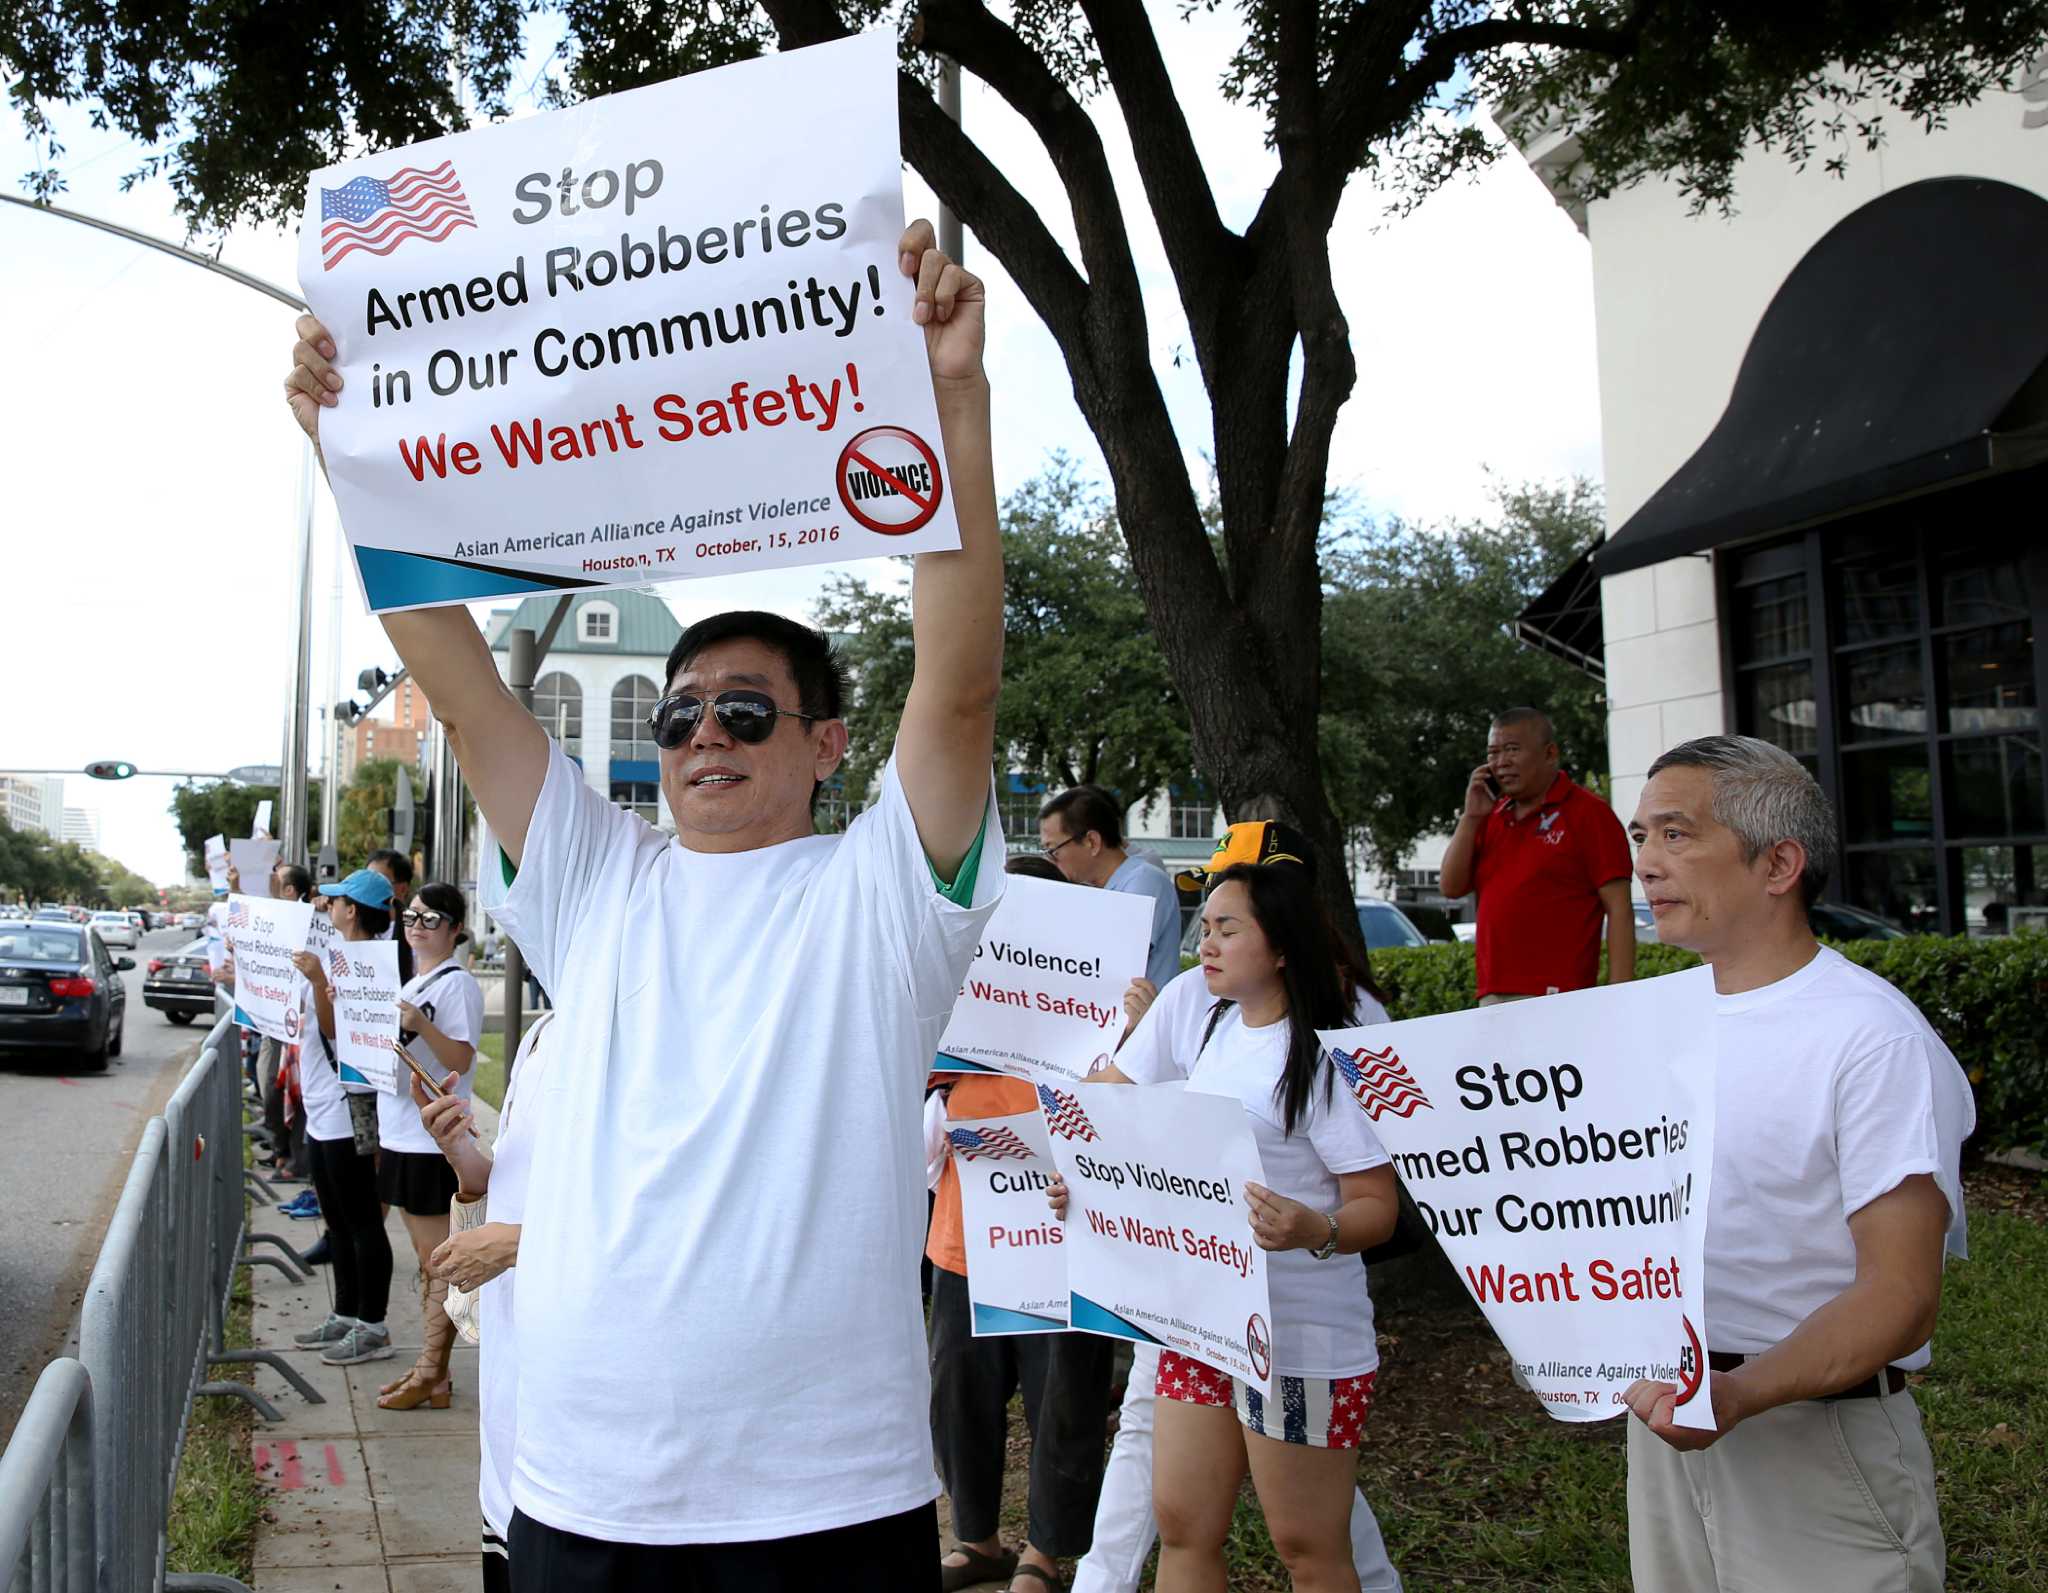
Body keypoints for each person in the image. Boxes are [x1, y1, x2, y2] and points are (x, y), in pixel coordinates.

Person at [286, 217, 1004, 1589]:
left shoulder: (883, 895)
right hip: (581, 1490)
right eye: (679, 716)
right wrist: (349, 456)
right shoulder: (594, 877)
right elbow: (460, 688)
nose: (703, 738)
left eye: (745, 710)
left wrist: (955, 401)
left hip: (823, 1501)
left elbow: (957, 684)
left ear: (827, 741)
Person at [1622, 736, 1973, 1590]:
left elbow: (1900, 1293)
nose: (1645, 865)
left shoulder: (1870, 1036)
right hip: (1667, 1429)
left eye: (1675, 834)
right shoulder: (1651, 1024)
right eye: (1639, 837)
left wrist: (1737, 1396)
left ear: (1779, 862)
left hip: (1814, 1440)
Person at [1055, 840, 1402, 1593]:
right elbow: (1155, 1159)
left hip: (1299, 1336)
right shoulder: (1211, 1031)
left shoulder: (1325, 1051)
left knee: (1309, 1546)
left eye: (1227, 928)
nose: (1204, 942)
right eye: (1203, 925)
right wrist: (1086, 1190)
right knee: (1182, 1527)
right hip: (1200, 1322)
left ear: (1280, 947)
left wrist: (1320, 1229)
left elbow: (1379, 1203)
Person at [927, 854, 1113, 1593]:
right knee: (959, 1398)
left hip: (1063, 1242)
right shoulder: (956, 996)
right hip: (962, 1237)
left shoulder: (1101, 1011)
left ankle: (1046, 1551)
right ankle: (976, 1539)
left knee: (1062, 1400)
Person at [413, 1006, 557, 1593]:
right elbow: (513, 1184)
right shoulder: (543, 1035)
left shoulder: (648, 1029)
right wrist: (466, 1161)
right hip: (513, 1393)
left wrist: (521, 1243)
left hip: (580, 1427)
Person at [1437, 706, 1635, 1004]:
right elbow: (1450, 887)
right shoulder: (1491, 815)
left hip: (1558, 996)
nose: (1501, 763)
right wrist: (1471, 817)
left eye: (1512, 749)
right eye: (1493, 753)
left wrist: (1621, 998)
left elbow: (1619, 908)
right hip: (1493, 993)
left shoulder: (1589, 813)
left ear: (1550, 753)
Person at [377, 881, 484, 1411]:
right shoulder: (412, 979)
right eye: (412, 916)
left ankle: (433, 1374)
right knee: (427, 1261)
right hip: (399, 1131)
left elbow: (461, 1059)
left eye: (430, 918)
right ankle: (429, 1369)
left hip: (430, 1140)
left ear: (455, 929)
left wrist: (417, 1024)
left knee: (436, 1261)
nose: (417, 925)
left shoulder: (454, 984)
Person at [289, 870, 399, 1366]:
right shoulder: (338, 957)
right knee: (337, 1222)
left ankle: (371, 1324)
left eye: (335, 902)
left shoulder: (369, 965)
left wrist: (318, 980)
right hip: (321, 1110)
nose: (327, 908)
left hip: (348, 1109)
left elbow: (340, 1037)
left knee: (361, 1222)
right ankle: (346, 1313)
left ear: (352, 910)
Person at [1038, 785, 1182, 995]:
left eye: (1053, 851)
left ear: (1092, 842)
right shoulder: (1104, 887)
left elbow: (1108, 964)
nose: (1050, 860)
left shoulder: (1143, 881)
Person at [368, 848, 417, 983]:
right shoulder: (354, 923)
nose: (369, 888)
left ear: (403, 889)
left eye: (378, 882)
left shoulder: (417, 933)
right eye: (366, 882)